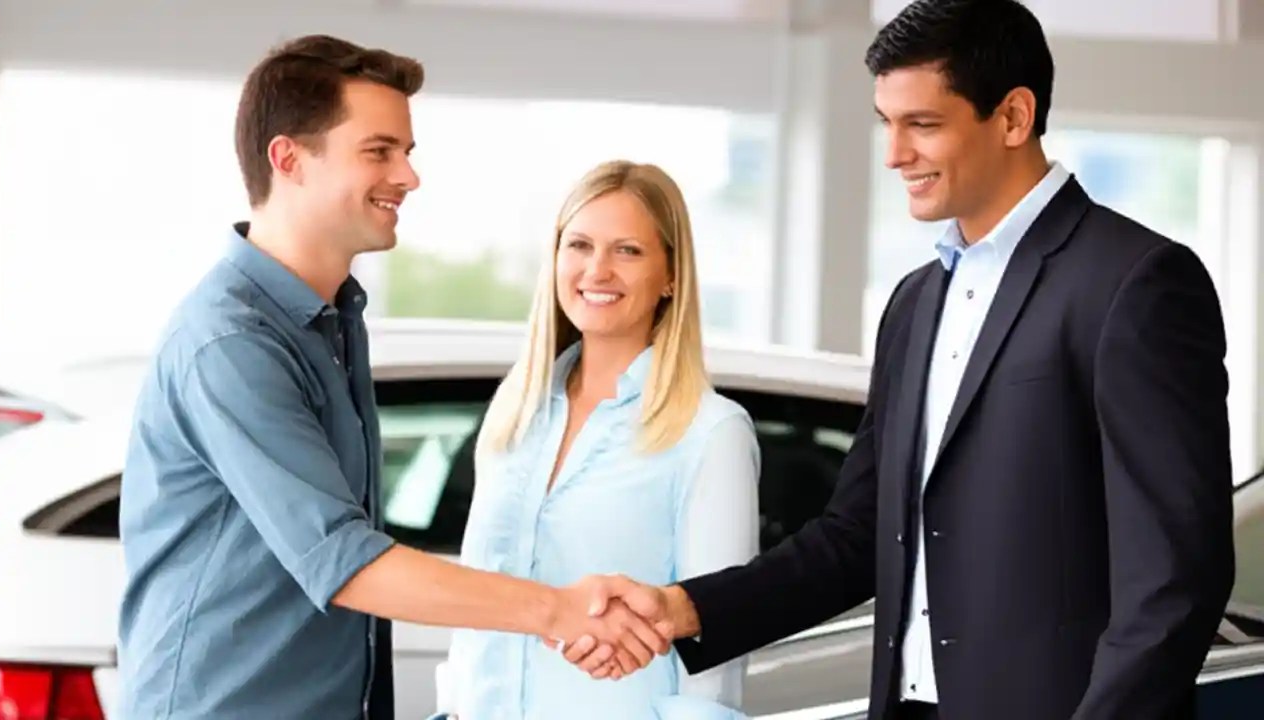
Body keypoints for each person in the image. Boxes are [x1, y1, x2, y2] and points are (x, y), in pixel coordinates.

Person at [561, 1, 1237, 719]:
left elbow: (1174, 578)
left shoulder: (1135, 283)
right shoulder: (915, 302)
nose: (894, 154)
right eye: (887, 123)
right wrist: (682, 608)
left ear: (1012, 117)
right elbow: (857, 536)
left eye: (923, 124)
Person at [115, 35, 667, 720]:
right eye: (379, 151)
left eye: (407, 153)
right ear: (288, 160)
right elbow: (344, 559)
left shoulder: (335, 319)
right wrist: (555, 611)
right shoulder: (231, 343)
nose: (408, 176)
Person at [431, 160, 761, 720]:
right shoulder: (515, 415)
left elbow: (715, 661)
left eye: (627, 250)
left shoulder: (711, 433)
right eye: (579, 245)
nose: (597, 269)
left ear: (672, 274)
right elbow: (477, 605)